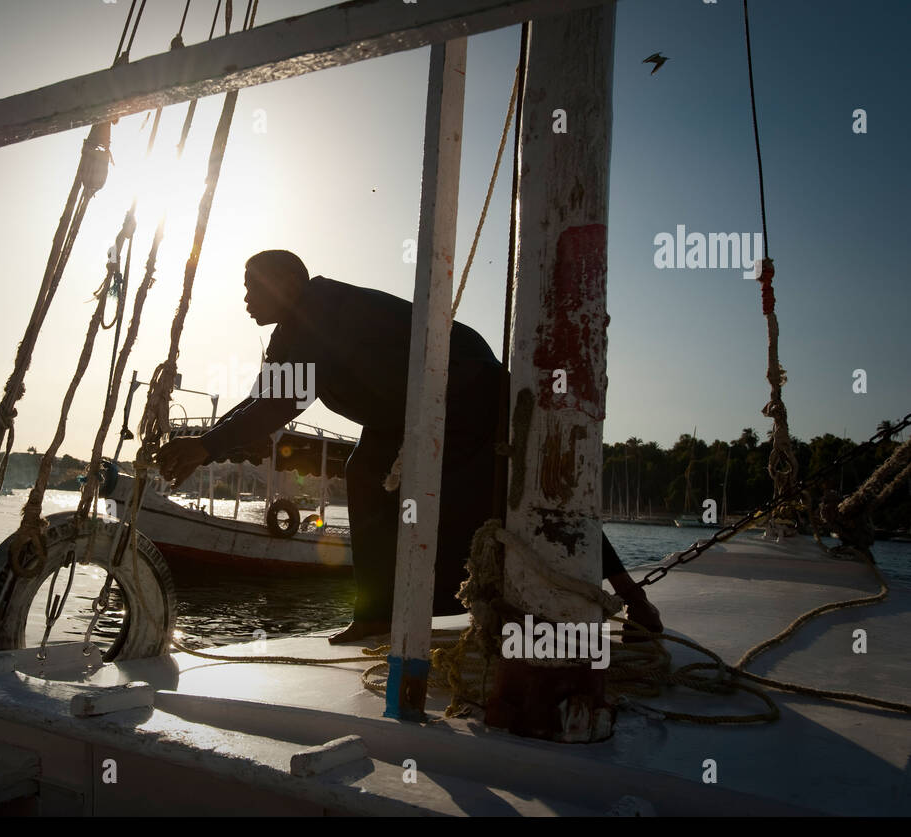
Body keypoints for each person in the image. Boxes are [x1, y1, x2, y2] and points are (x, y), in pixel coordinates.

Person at [157, 250, 662, 644]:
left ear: (287, 282)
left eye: (251, 287)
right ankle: (378, 614)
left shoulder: (320, 310)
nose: (245, 299)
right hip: (406, 409)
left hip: (466, 391)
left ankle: (635, 602)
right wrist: (204, 443)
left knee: (516, 491)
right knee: (365, 477)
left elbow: (279, 405)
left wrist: (204, 447)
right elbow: (264, 398)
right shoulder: (295, 329)